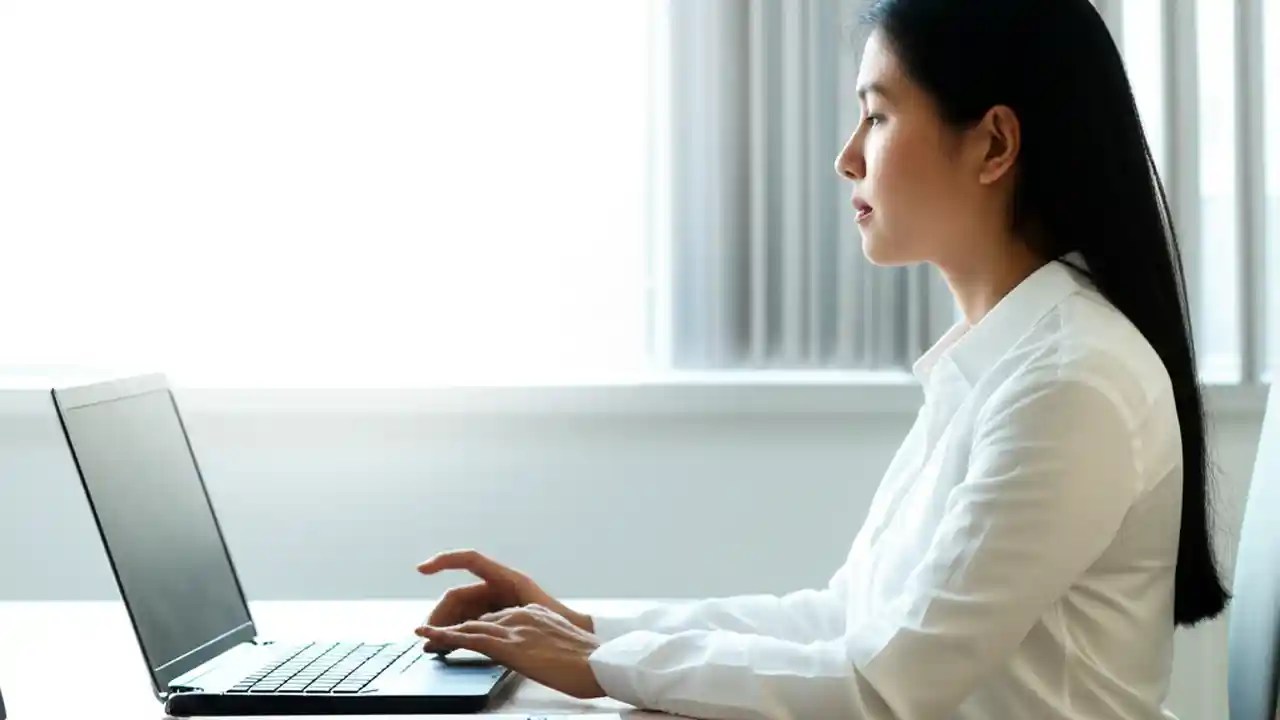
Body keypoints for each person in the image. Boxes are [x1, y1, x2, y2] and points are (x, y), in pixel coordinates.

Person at [411, 0, 1231, 717]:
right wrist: (586, 631)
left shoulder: (1069, 384)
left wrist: (599, 666)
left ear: (993, 144)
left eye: (877, 116)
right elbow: (845, 619)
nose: (848, 157)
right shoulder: (1008, 364)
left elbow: (882, 687)